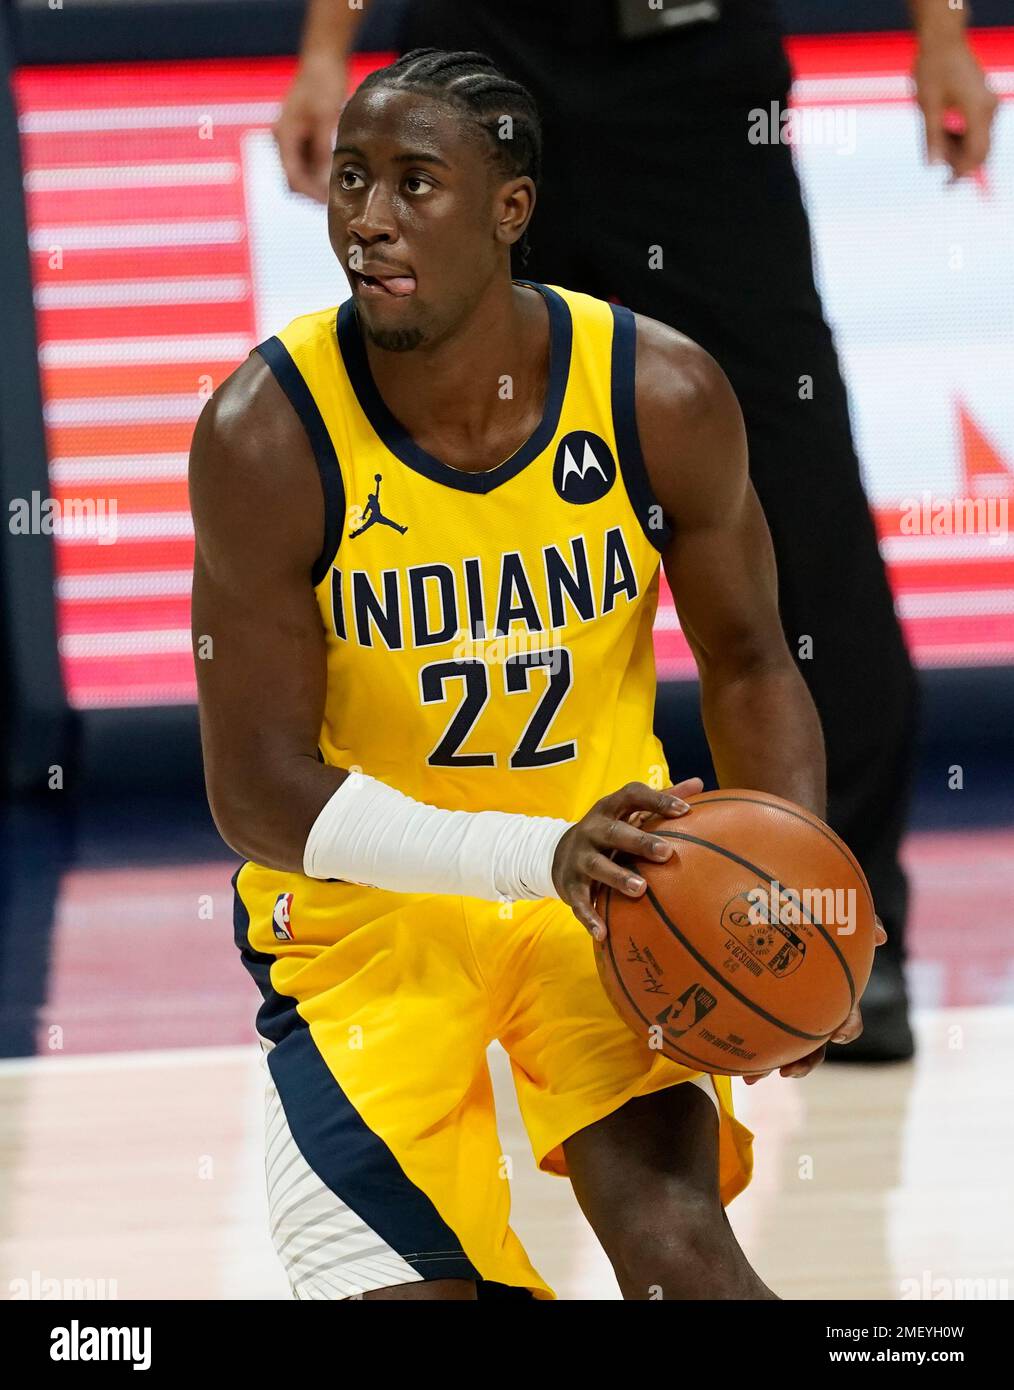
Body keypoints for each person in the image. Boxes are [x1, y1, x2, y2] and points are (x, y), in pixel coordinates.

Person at [190, 48, 885, 1300]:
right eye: (352, 181)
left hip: (621, 883)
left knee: (681, 1253)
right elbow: (258, 795)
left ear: (512, 211)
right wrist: (535, 853)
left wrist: (800, 895)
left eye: (415, 184)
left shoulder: (655, 392)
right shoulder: (269, 431)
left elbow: (748, 660)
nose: (368, 219)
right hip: (369, 918)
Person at [273, 0, 998, 1063]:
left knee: (793, 489)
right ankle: (462, 916)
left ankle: (832, 923)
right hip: (484, 58)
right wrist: (324, 50)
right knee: (464, 484)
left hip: (691, 67)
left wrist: (940, 29)